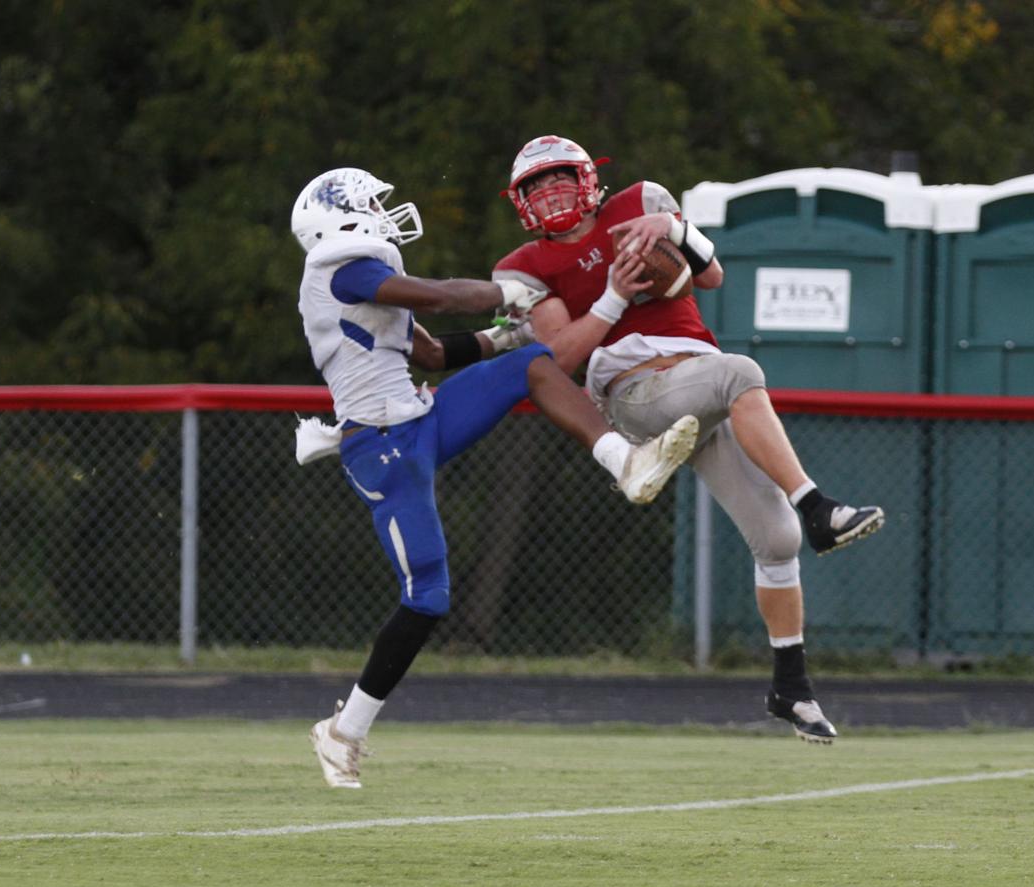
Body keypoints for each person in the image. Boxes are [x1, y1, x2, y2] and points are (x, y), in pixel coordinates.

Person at [291, 167, 701, 788]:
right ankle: (344, 729)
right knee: (428, 596)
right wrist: (506, 293)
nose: (385, 211)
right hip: (378, 447)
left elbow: (431, 354)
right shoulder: (340, 268)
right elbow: (435, 297)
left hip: (418, 420)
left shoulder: (365, 277)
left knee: (531, 362)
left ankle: (626, 461)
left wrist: (508, 333)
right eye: (373, 203)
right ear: (338, 216)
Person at [493, 136, 886, 744]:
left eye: (559, 180)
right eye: (536, 188)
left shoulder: (642, 201)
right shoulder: (523, 268)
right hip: (633, 388)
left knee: (777, 542)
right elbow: (561, 355)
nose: (551, 196)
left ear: (589, 179)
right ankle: (819, 506)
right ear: (521, 202)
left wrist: (673, 227)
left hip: (696, 381)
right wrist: (614, 296)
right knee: (742, 372)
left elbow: (712, 276)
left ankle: (792, 689)